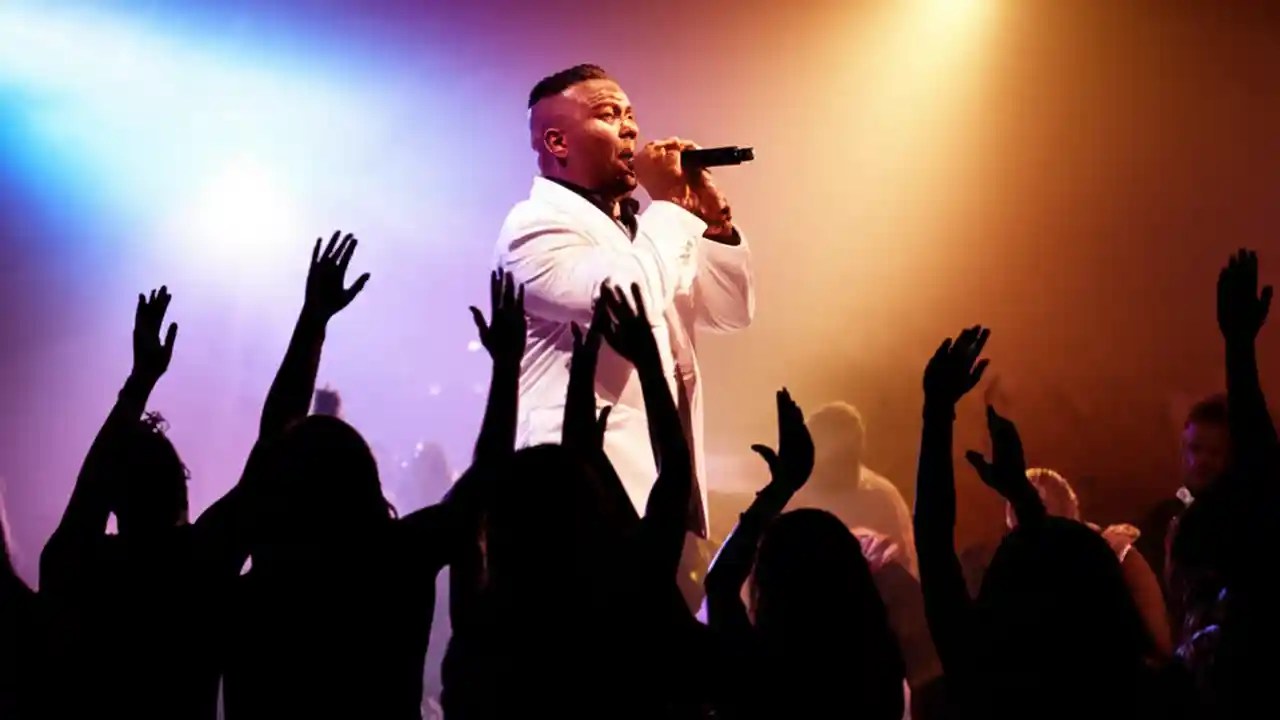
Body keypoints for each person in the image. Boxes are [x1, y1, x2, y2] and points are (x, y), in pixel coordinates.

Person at [495, 64, 754, 540]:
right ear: (557, 142)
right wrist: (670, 207)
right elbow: (630, 299)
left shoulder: (640, 231)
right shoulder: (532, 227)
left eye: (630, 114)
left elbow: (731, 313)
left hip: (663, 491)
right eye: (609, 114)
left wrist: (715, 227)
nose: (631, 128)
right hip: (574, 500)